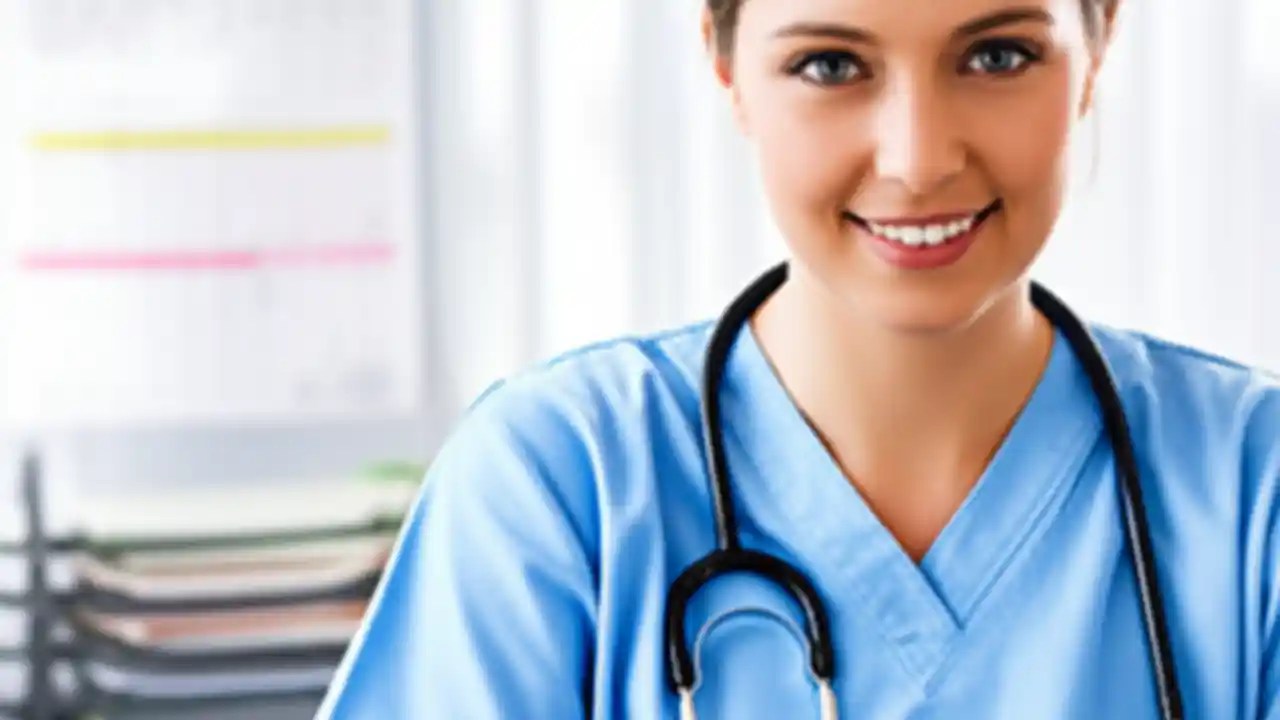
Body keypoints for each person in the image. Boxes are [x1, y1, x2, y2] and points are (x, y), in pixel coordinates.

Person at [318, 0, 1280, 717]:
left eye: (997, 56)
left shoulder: (1250, 487)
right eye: (830, 66)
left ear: (1098, 45)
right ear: (729, 70)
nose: (917, 159)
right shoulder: (560, 486)